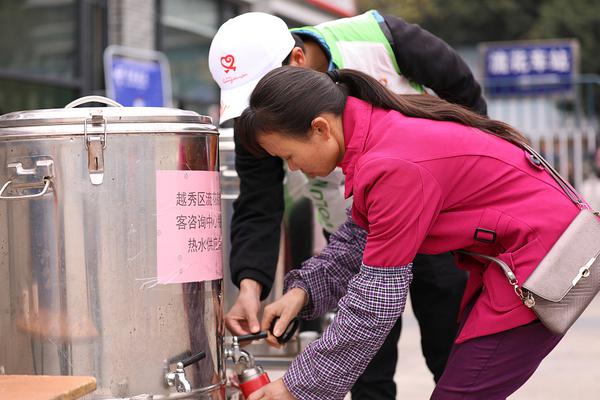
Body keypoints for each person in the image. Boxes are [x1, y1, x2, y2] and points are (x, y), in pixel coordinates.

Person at [235, 66, 584, 400]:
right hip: (521, 256)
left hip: (545, 260)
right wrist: (303, 292)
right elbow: (360, 238)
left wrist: (298, 386)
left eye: (289, 155)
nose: (293, 167)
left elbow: (376, 302)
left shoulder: (392, 164)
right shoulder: (377, 132)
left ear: (320, 128)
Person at [209, 11, 486, 397]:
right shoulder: (256, 120)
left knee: (451, 354)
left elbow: (468, 105)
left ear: (297, 62)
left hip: (437, 226)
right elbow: (259, 204)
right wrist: (251, 287)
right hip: (355, 231)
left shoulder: (383, 39)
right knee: (366, 369)